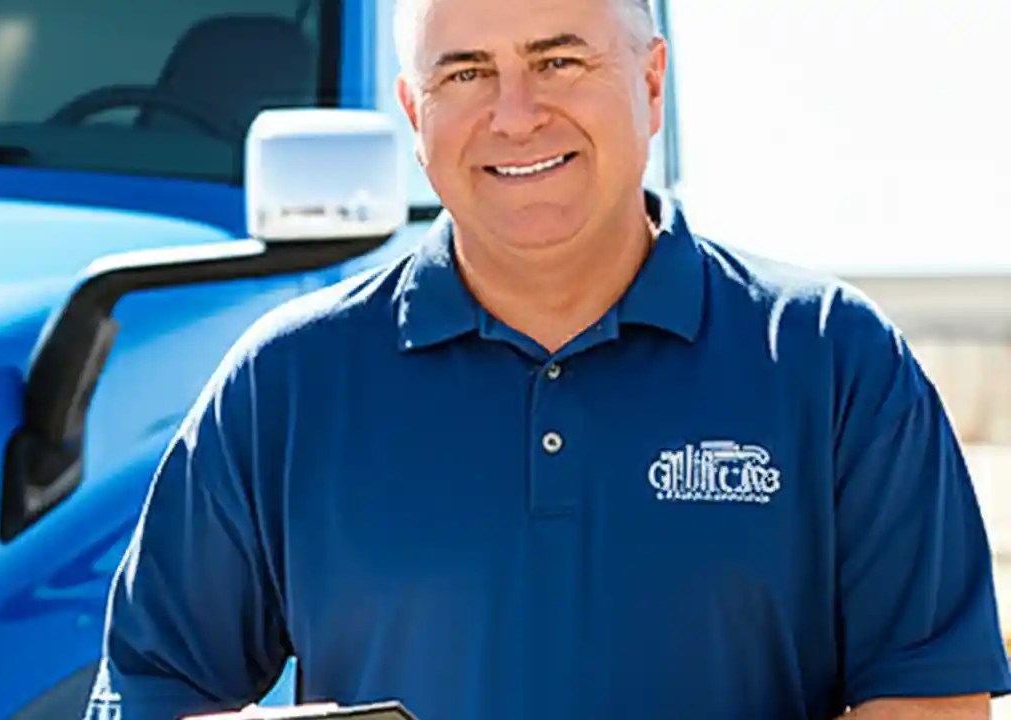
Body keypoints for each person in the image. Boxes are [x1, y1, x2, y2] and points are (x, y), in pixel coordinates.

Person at [88, 0, 1011, 717]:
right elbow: (150, 691)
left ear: (652, 87)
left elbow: (932, 696)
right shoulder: (284, 383)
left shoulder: (832, 359)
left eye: (558, 60)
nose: (515, 114)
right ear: (415, 113)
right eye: (467, 72)